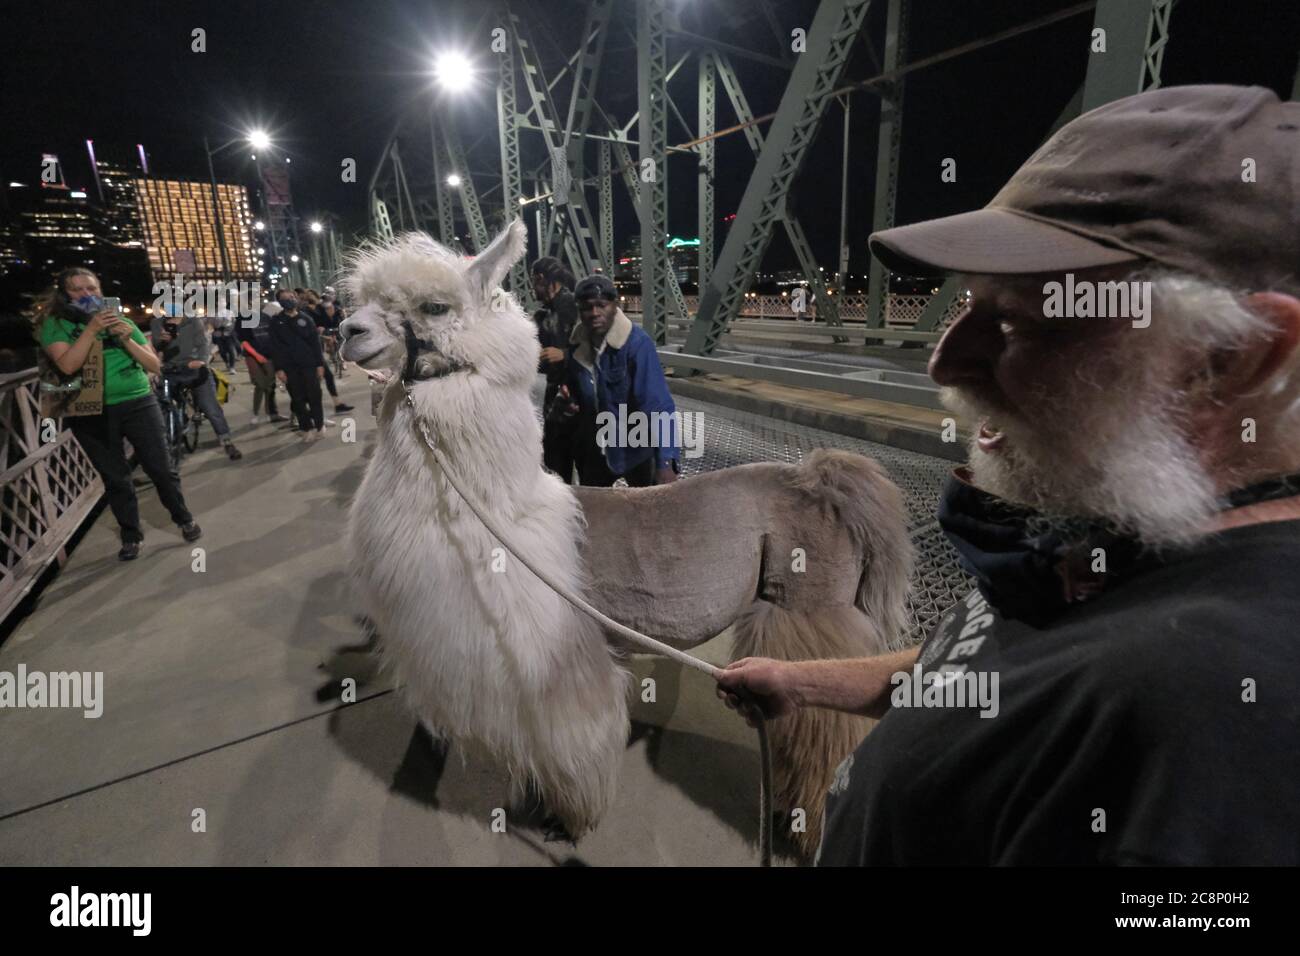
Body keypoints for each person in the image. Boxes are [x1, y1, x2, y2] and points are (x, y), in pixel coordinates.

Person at [716, 85, 1300, 865]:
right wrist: (803, 681)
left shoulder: (1223, 724)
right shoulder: (1107, 537)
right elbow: (983, 667)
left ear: (1230, 360)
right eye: (965, 305)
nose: (945, 359)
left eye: (1020, 322)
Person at [35, 266, 201, 560]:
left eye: (92, 288)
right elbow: (68, 366)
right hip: (90, 411)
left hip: (138, 401)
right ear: (64, 294)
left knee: (161, 469)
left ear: (101, 290)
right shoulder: (55, 325)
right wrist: (92, 329)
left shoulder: (121, 320)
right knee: (116, 478)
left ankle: (183, 517)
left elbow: (153, 365)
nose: (86, 295)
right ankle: (131, 535)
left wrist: (125, 337)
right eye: (77, 289)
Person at [559, 274, 679, 487]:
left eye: (601, 305)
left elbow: (659, 406)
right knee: (596, 514)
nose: (594, 313)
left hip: (637, 449)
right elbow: (576, 397)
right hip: (595, 450)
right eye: (587, 307)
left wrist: (665, 463)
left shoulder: (636, 344)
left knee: (646, 514)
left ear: (615, 305)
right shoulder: (577, 348)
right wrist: (569, 404)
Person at [150, 305, 242, 461]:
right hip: (171, 370)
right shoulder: (157, 323)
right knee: (162, 405)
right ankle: (168, 443)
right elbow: (157, 347)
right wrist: (163, 342)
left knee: (210, 407)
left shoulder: (194, 322)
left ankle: (226, 441)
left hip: (194, 370)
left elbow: (202, 345)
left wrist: (200, 361)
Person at [529, 256, 578, 480]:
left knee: (582, 458)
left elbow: (598, 348)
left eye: (533, 282)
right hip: (555, 396)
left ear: (541, 279)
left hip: (579, 395)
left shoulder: (576, 305)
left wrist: (564, 355)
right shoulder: (543, 314)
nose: (532, 289)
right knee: (556, 460)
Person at [268, 287, 326, 442]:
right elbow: (275, 347)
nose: (290, 299)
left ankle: (319, 425)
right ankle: (305, 427)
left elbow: (315, 343)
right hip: (289, 367)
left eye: (292, 296)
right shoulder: (276, 321)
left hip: (309, 364)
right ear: (280, 302)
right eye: (285, 298)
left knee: (315, 396)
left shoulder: (306, 319)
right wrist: (279, 369)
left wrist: (320, 365)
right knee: (297, 398)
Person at [237, 300, 287, 425]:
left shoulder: (266, 316)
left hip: (269, 354)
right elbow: (244, 341)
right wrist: (256, 355)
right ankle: (256, 413)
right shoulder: (243, 317)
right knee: (260, 384)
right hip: (253, 355)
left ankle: (273, 413)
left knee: (270, 385)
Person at [312, 293, 354, 415]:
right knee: (311, 385)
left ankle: (336, 405)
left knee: (327, 377)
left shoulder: (308, 314)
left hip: (316, 352)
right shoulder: (311, 313)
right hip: (307, 356)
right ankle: (312, 417)